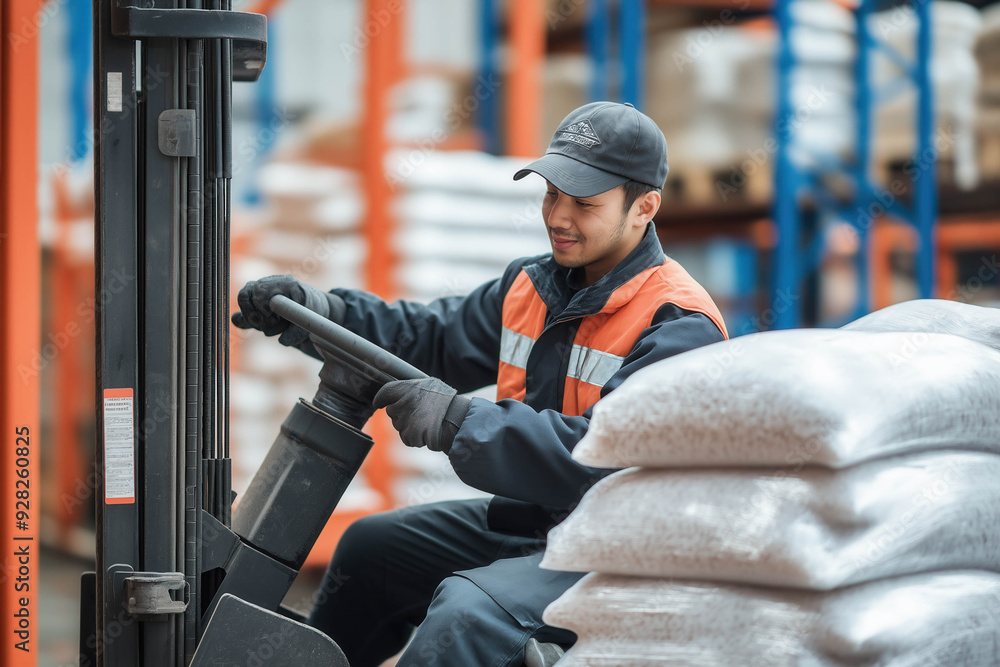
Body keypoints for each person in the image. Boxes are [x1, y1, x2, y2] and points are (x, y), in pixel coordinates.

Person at [232, 101, 729, 666]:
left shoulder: (677, 324)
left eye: (584, 203)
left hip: (618, 548)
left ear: (645, 207)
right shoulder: (531, 285)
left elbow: (603, 457)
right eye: (551, 194)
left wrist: (460, 422)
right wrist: (319, 312)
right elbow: (430, 338)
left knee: (465, 612)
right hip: (535, 523)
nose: (558, 217)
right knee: (371, 550)